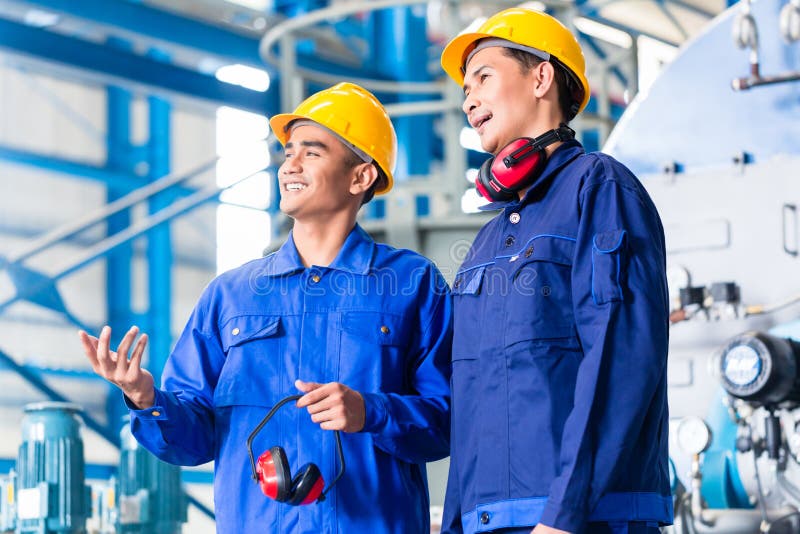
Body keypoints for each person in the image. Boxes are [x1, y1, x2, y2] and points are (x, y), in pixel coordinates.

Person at [79, 82, 452, 534]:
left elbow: (447, 421)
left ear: (361, 177)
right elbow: (193, 442)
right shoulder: (230, 296)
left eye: (311, 152)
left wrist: (370, 411)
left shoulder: (412, 283)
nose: (289, 165)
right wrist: (145, 399)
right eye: (288, 153)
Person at [439, 8, 671, 534]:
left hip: (587, 519)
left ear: (541, 77)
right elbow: (471, 398)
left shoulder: (599, 188)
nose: (468, 100)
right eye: (465, 89)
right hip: (492, 519)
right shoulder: (487, 240)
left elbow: (620, 356)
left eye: (483, 77)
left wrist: (564, 515)